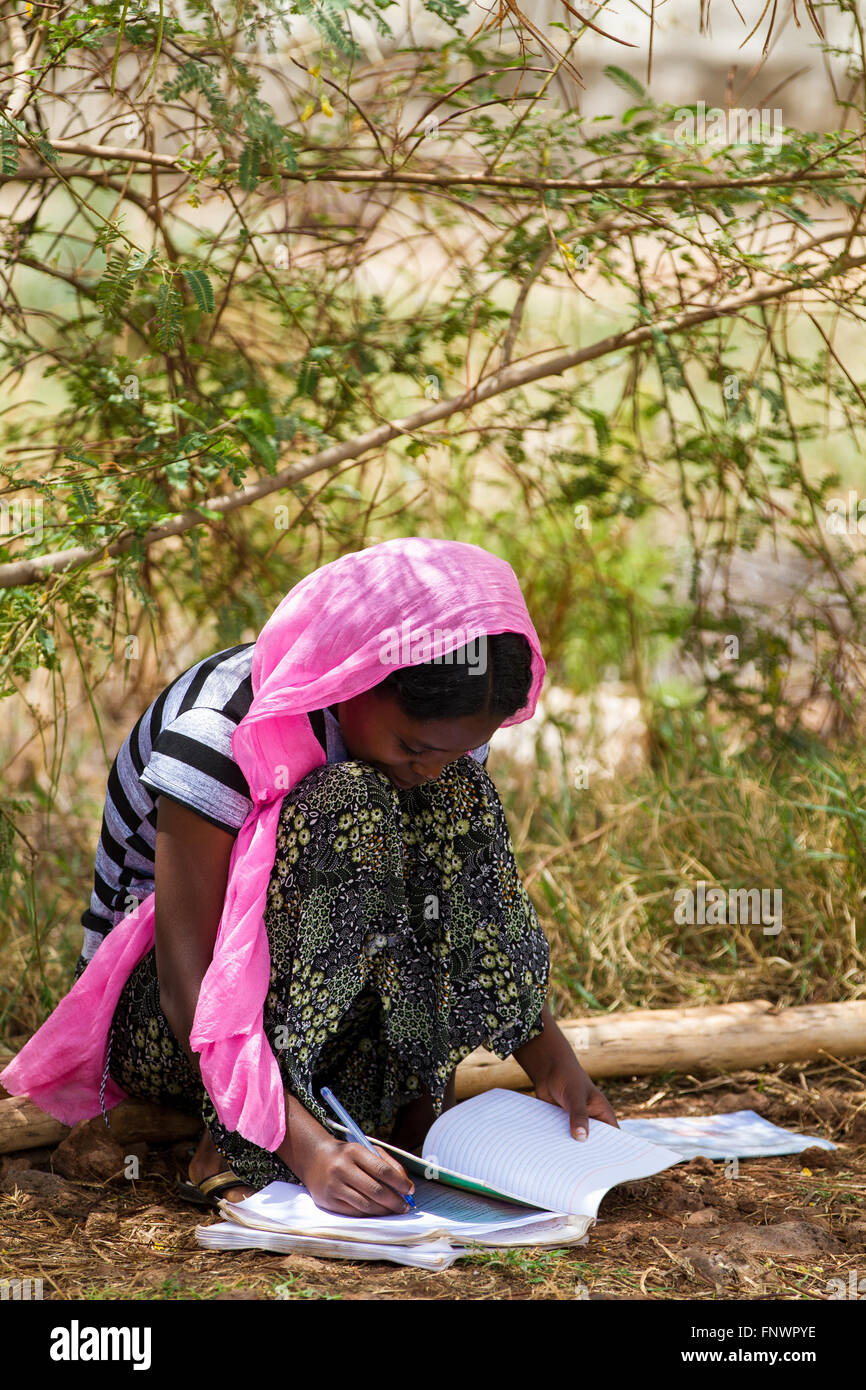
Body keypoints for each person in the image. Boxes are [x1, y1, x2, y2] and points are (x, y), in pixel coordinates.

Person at [1, 537, 618, 1217]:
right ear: (355, 675)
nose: (432, 765)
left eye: (459, 748)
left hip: (322, 1036)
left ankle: (416, 1121)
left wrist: (556, 1066)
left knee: (453, 801)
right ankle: (233, 1141)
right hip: (166, 1033)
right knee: (348, 801)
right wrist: (308, 1151)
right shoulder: (222, 731)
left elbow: (461, 907)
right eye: (414, 746)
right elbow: (189, 986)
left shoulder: (439, 751)